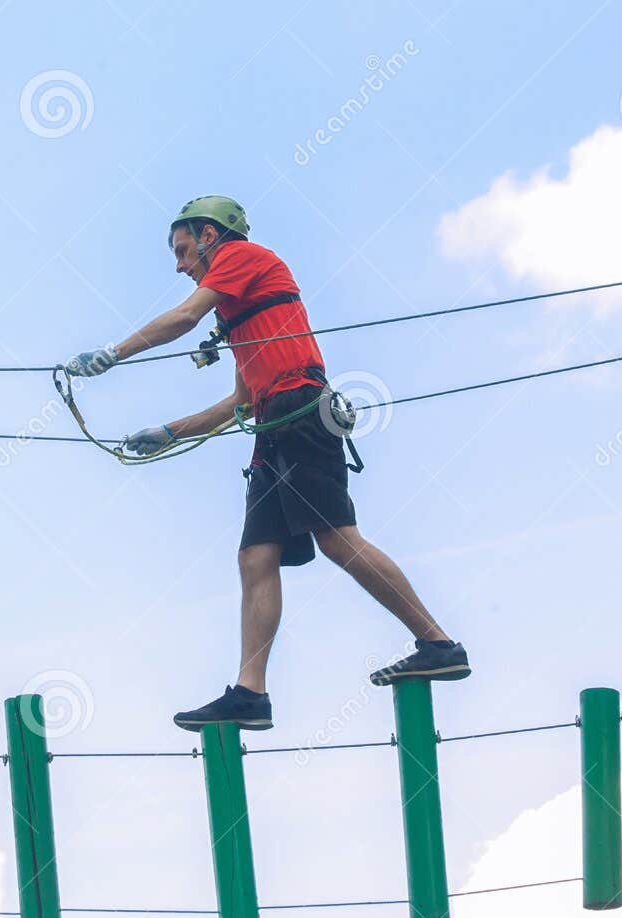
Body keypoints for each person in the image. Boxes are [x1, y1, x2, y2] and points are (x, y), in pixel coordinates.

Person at [64, 195, 468, 732]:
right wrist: (166, 433)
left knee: (336, 539)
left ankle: (437, 643)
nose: (180, 267)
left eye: (183, 251)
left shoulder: (242, 255)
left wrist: (114, 354)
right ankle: (250, 694)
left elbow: (185, 318)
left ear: (210, 235)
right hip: (274, 424)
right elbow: (238, 405)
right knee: (256, 557)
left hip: (300, 409)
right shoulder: (239, 314)